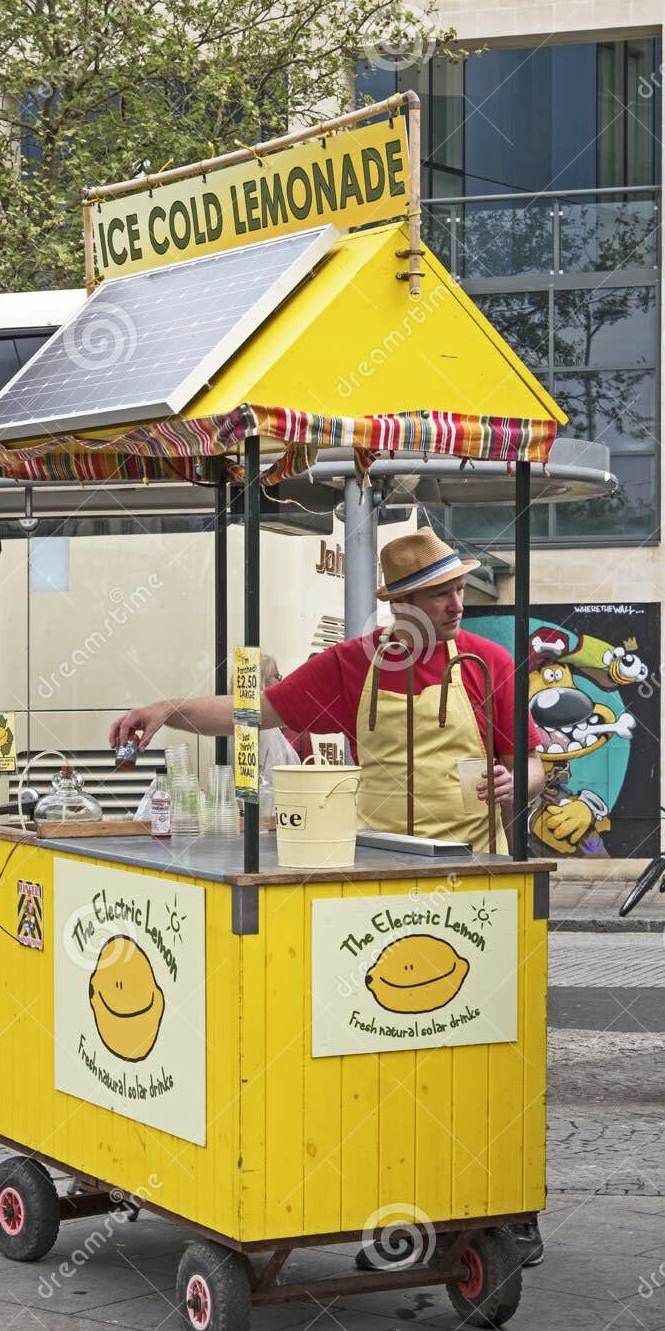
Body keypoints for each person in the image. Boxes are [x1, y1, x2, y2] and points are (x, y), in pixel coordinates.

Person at [111, 527, 547, 1264]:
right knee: (379, 1055)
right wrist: (166, 708)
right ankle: (386, 1205)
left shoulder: (489, 664)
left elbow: (529, 761)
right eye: (439, 592)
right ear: (400, 605)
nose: (455, 602)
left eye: (456, 588)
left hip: (476, 879)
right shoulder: (351, 665)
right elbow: (254, 713)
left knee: (490, 1050)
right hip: (372, 881)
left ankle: (506, 1209)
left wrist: (519, 781)